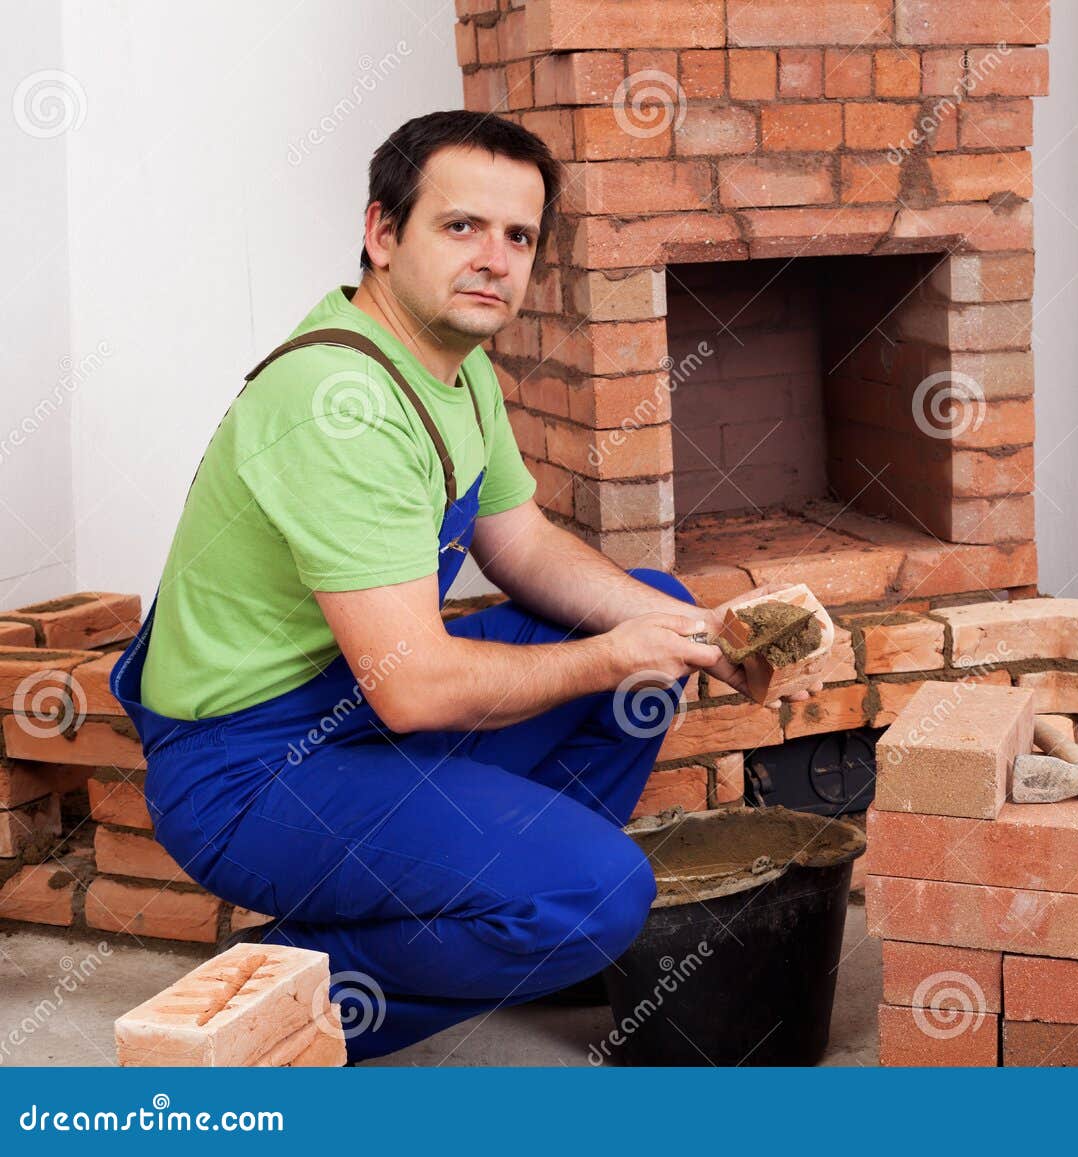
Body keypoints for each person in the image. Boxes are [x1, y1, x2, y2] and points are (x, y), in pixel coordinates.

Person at [109, 110, 816, 1062]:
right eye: (461, 227)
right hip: (251, 768)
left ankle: (513, 914)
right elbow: (416, 688)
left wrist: (697, 630)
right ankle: (272, 1000)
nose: (494, 257)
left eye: (518, 236)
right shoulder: (341, 407)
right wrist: (615, 650)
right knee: (599, 892)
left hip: (354, 713)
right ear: (382, 233)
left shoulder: (457, 366)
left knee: (642, 604)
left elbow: (521, 543)